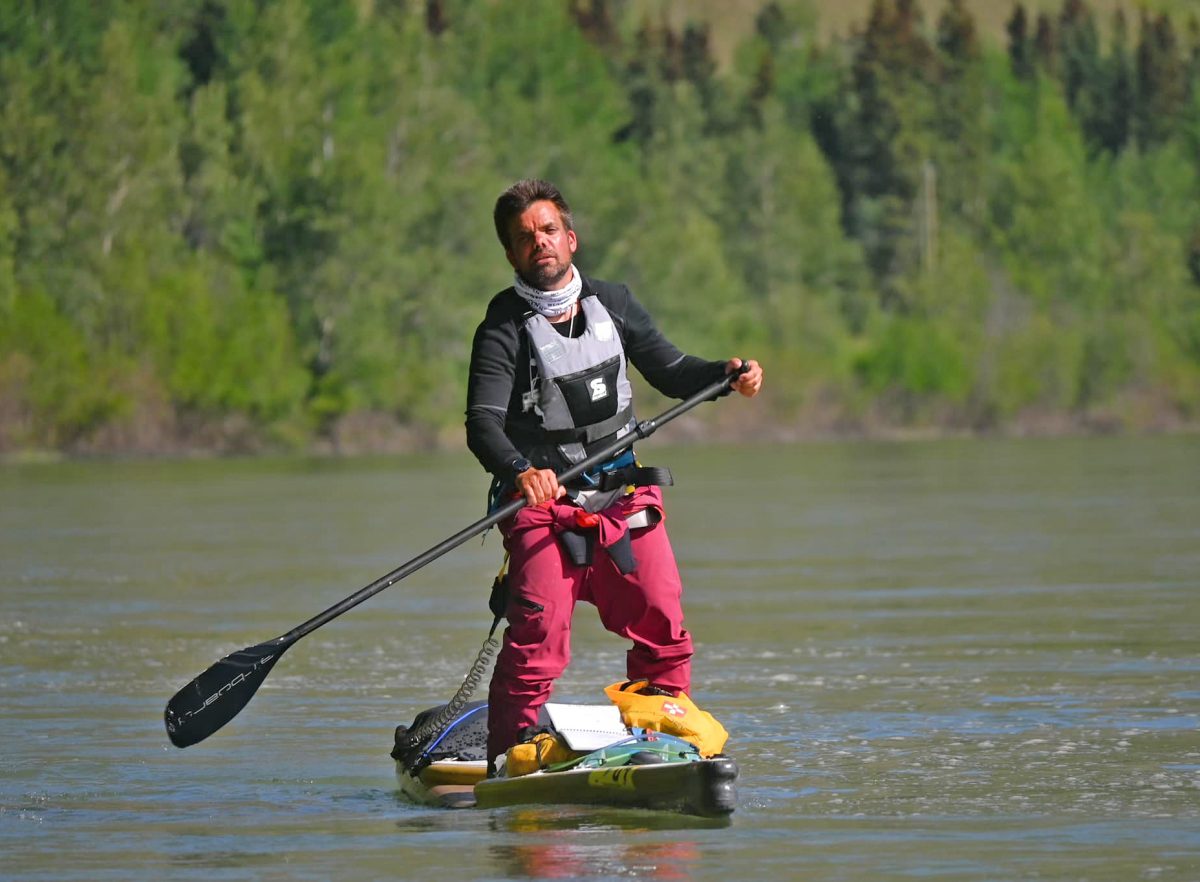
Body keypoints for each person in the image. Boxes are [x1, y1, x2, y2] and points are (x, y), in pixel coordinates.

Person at [466, 179, 763, 767]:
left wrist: (725, 374)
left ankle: (661, 738)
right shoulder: (502, 327)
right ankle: (512, 758)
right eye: (524, 238)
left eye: (548, 231)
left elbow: (674, 369)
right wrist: (522, 471)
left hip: (621, 497)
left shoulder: (615, 303)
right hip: (543, 509)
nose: (539, 243)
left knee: (662, 616)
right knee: (537, 642)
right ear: (511, 256)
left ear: (570, 239)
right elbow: (483, 424)